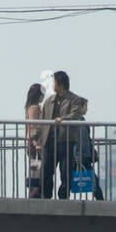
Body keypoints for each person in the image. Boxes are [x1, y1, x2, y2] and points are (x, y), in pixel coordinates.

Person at [38, 71, 86, 199]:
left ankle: (63, 197)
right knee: (46, 172)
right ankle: (46, 196)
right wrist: (38, 139)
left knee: (66, 172)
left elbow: (75, 115)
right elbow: (41, 121)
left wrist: (62, 119)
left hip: (66, 141)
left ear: (61, 84)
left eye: (54, 82)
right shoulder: (49, 101)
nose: (53, 84)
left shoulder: (74, 100)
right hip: (49, 141)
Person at [78, 98, 105, 200]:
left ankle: (100, 198)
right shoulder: (79, 122)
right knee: (93, 179)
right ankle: (100, 200)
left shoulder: (80, 121)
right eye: (85, 106)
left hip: (82, 155)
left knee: (90, 179)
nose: (87, 109)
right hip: (82, 156)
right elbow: (83, 140)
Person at [24, 83, 45, 198]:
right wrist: (37, 144)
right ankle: (35, 193)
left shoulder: (29, 107)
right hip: (35, 144)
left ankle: (34, 192)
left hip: (32, 143)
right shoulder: (35, 108)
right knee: (37, 170)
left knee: (35, 169)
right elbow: (34, 127)